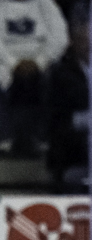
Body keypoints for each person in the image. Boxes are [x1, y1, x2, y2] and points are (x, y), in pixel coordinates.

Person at [0, 0, 69, 153]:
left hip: (40, 60)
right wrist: (13, 63)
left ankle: (42, 136)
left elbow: (60, 39)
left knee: (59, 79)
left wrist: (39, 62)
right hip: (2, 61)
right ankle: (3, 137)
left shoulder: (46, 5)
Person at [44, 4, 89, 185]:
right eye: (83, 40)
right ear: (72, 40)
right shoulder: (61, 73)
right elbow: (59, 121)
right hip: (74, 153)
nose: (89, 45)